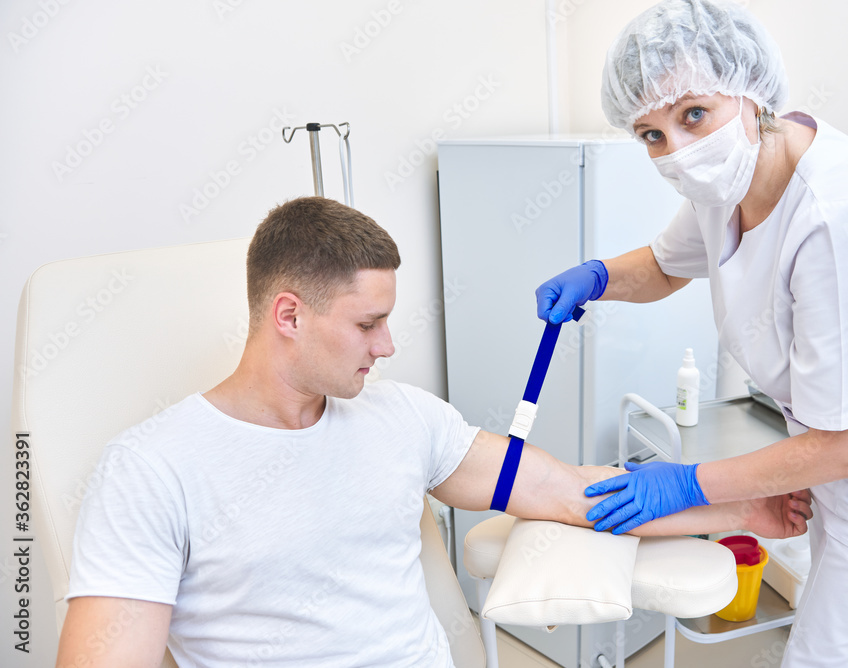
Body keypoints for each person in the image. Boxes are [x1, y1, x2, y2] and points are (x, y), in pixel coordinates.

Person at [56, 196, 810, 668]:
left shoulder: (402, 418)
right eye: (367, 324)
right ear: (288, 315)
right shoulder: (152, 470)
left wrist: (742, 511)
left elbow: (574, 495)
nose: (388, 346)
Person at [535, 1, 848, 666]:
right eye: (651, 134)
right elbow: (667, 265)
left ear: (751, 91)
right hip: (840, 457)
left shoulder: (836, 219)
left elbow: (845, 447)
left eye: (693, 113)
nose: (676, 151)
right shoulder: (729, 172)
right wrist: (596, 276)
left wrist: (689, 483)